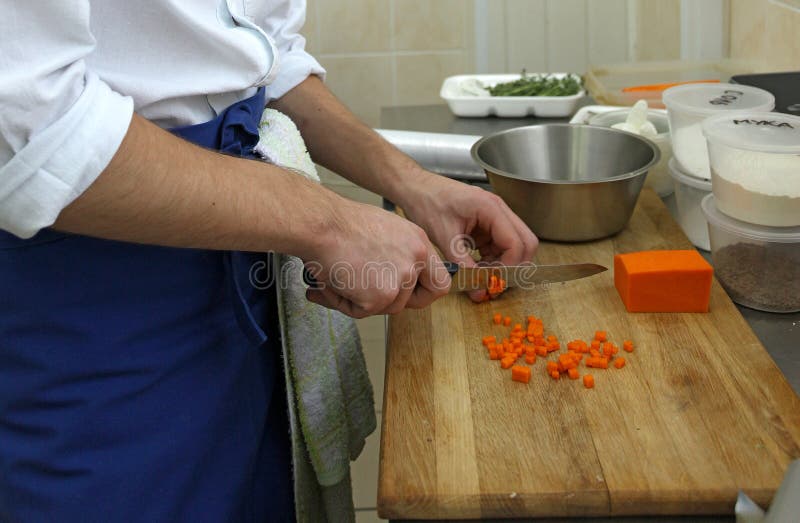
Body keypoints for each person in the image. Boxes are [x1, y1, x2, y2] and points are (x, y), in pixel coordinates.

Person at [0, 1, 538, 521]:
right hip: (89, 308)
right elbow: (34, 127)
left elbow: (266, 61)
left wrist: (413, 183)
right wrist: (330, 222)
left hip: (249, 290)